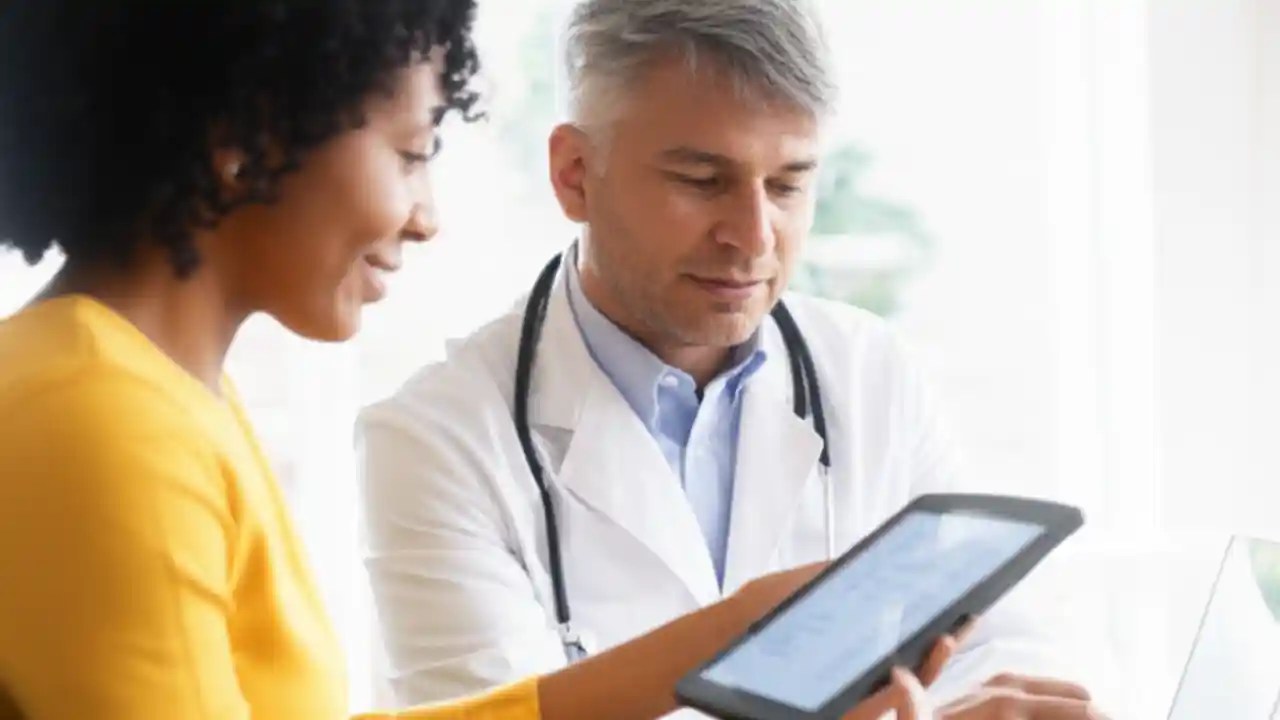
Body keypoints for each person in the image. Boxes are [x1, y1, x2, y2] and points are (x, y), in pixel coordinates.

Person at [0, 2, 953, 719]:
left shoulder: (157, 395)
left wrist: (727, 636)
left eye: (788, 182)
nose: (427, 216)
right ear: (245, 141)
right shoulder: (100, 416)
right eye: (412, 154)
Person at [357, 0, 1108, 717]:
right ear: (574, 173)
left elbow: (1001, 648)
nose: (753, 237)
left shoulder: (870, 374)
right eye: (702, 181)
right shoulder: (436, 440)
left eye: (788, 184)